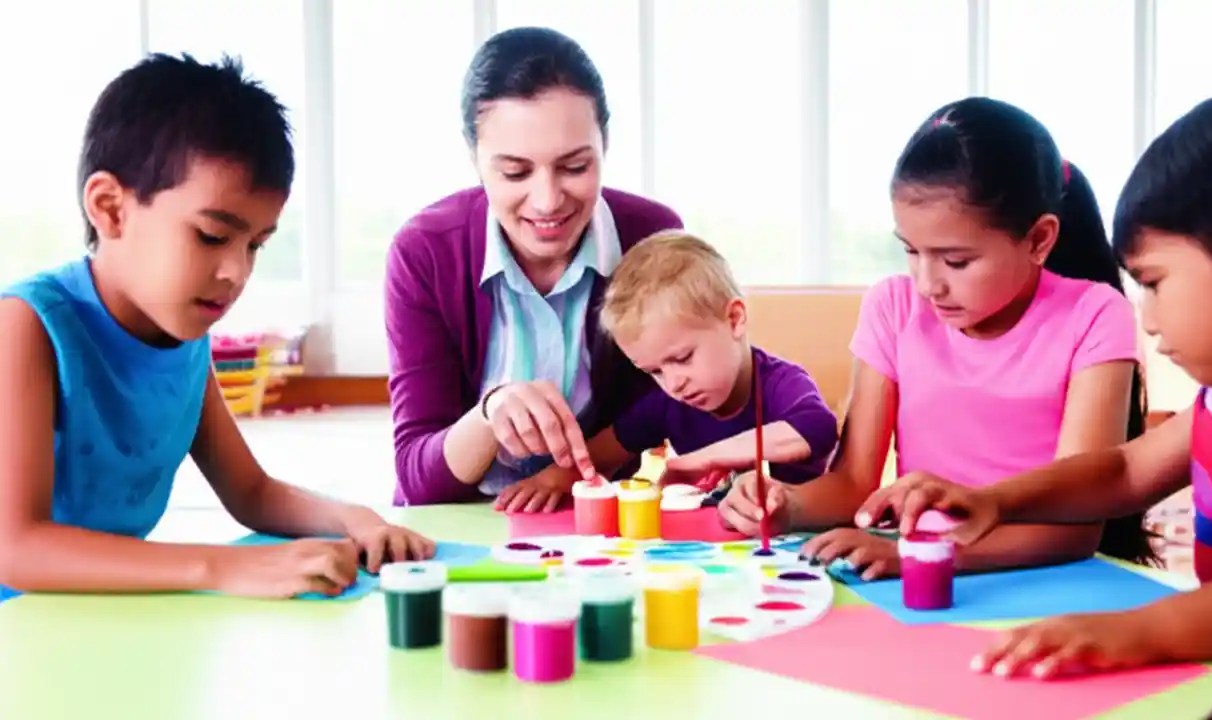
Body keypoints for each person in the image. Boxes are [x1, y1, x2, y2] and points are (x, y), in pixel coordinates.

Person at [854, 90, 1212, 717]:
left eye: (1156, 284)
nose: (1150, 322)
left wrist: (1137, 632)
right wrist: (995, 500)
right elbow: (1124, 471)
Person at [0, 53, 433, 601]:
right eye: (210, 236)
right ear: (110, 209)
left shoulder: (182, 337)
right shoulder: (26, 325)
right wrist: (222, 568)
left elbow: (249, 491)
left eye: (255, 245)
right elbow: (16, 549)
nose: (237, 273)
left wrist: (354, 519)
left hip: (97, 619)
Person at [717, 96, 1154, 578]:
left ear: (1038, 240)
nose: (928, 284)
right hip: (919, 570)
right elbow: (854, 482)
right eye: (910, 251)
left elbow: (1075, 527)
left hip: (1039, 576)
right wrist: (785, 503)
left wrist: (924, 558)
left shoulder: (1095, 314)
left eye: (956, 261)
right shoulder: (893, 307)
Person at [385, 27, 682, 508]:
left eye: (575, 167)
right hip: (460, 519)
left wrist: (567, 475)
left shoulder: (652, 239)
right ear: (474, 158)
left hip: (594, 518)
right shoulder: (424, 253)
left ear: (604, 142)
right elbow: (420, 481)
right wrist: (490, 414)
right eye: (515, 173)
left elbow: (668, 407)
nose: (547, 201)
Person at [494, 231, 838, 512]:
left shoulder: (781, 382)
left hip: (795, 534)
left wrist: (696, 461)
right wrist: (550, 480)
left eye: (683, 357)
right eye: (654, 371)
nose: (674, 383)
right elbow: (600, 453)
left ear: (734, 319)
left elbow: (817, 428)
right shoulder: (668, 403)